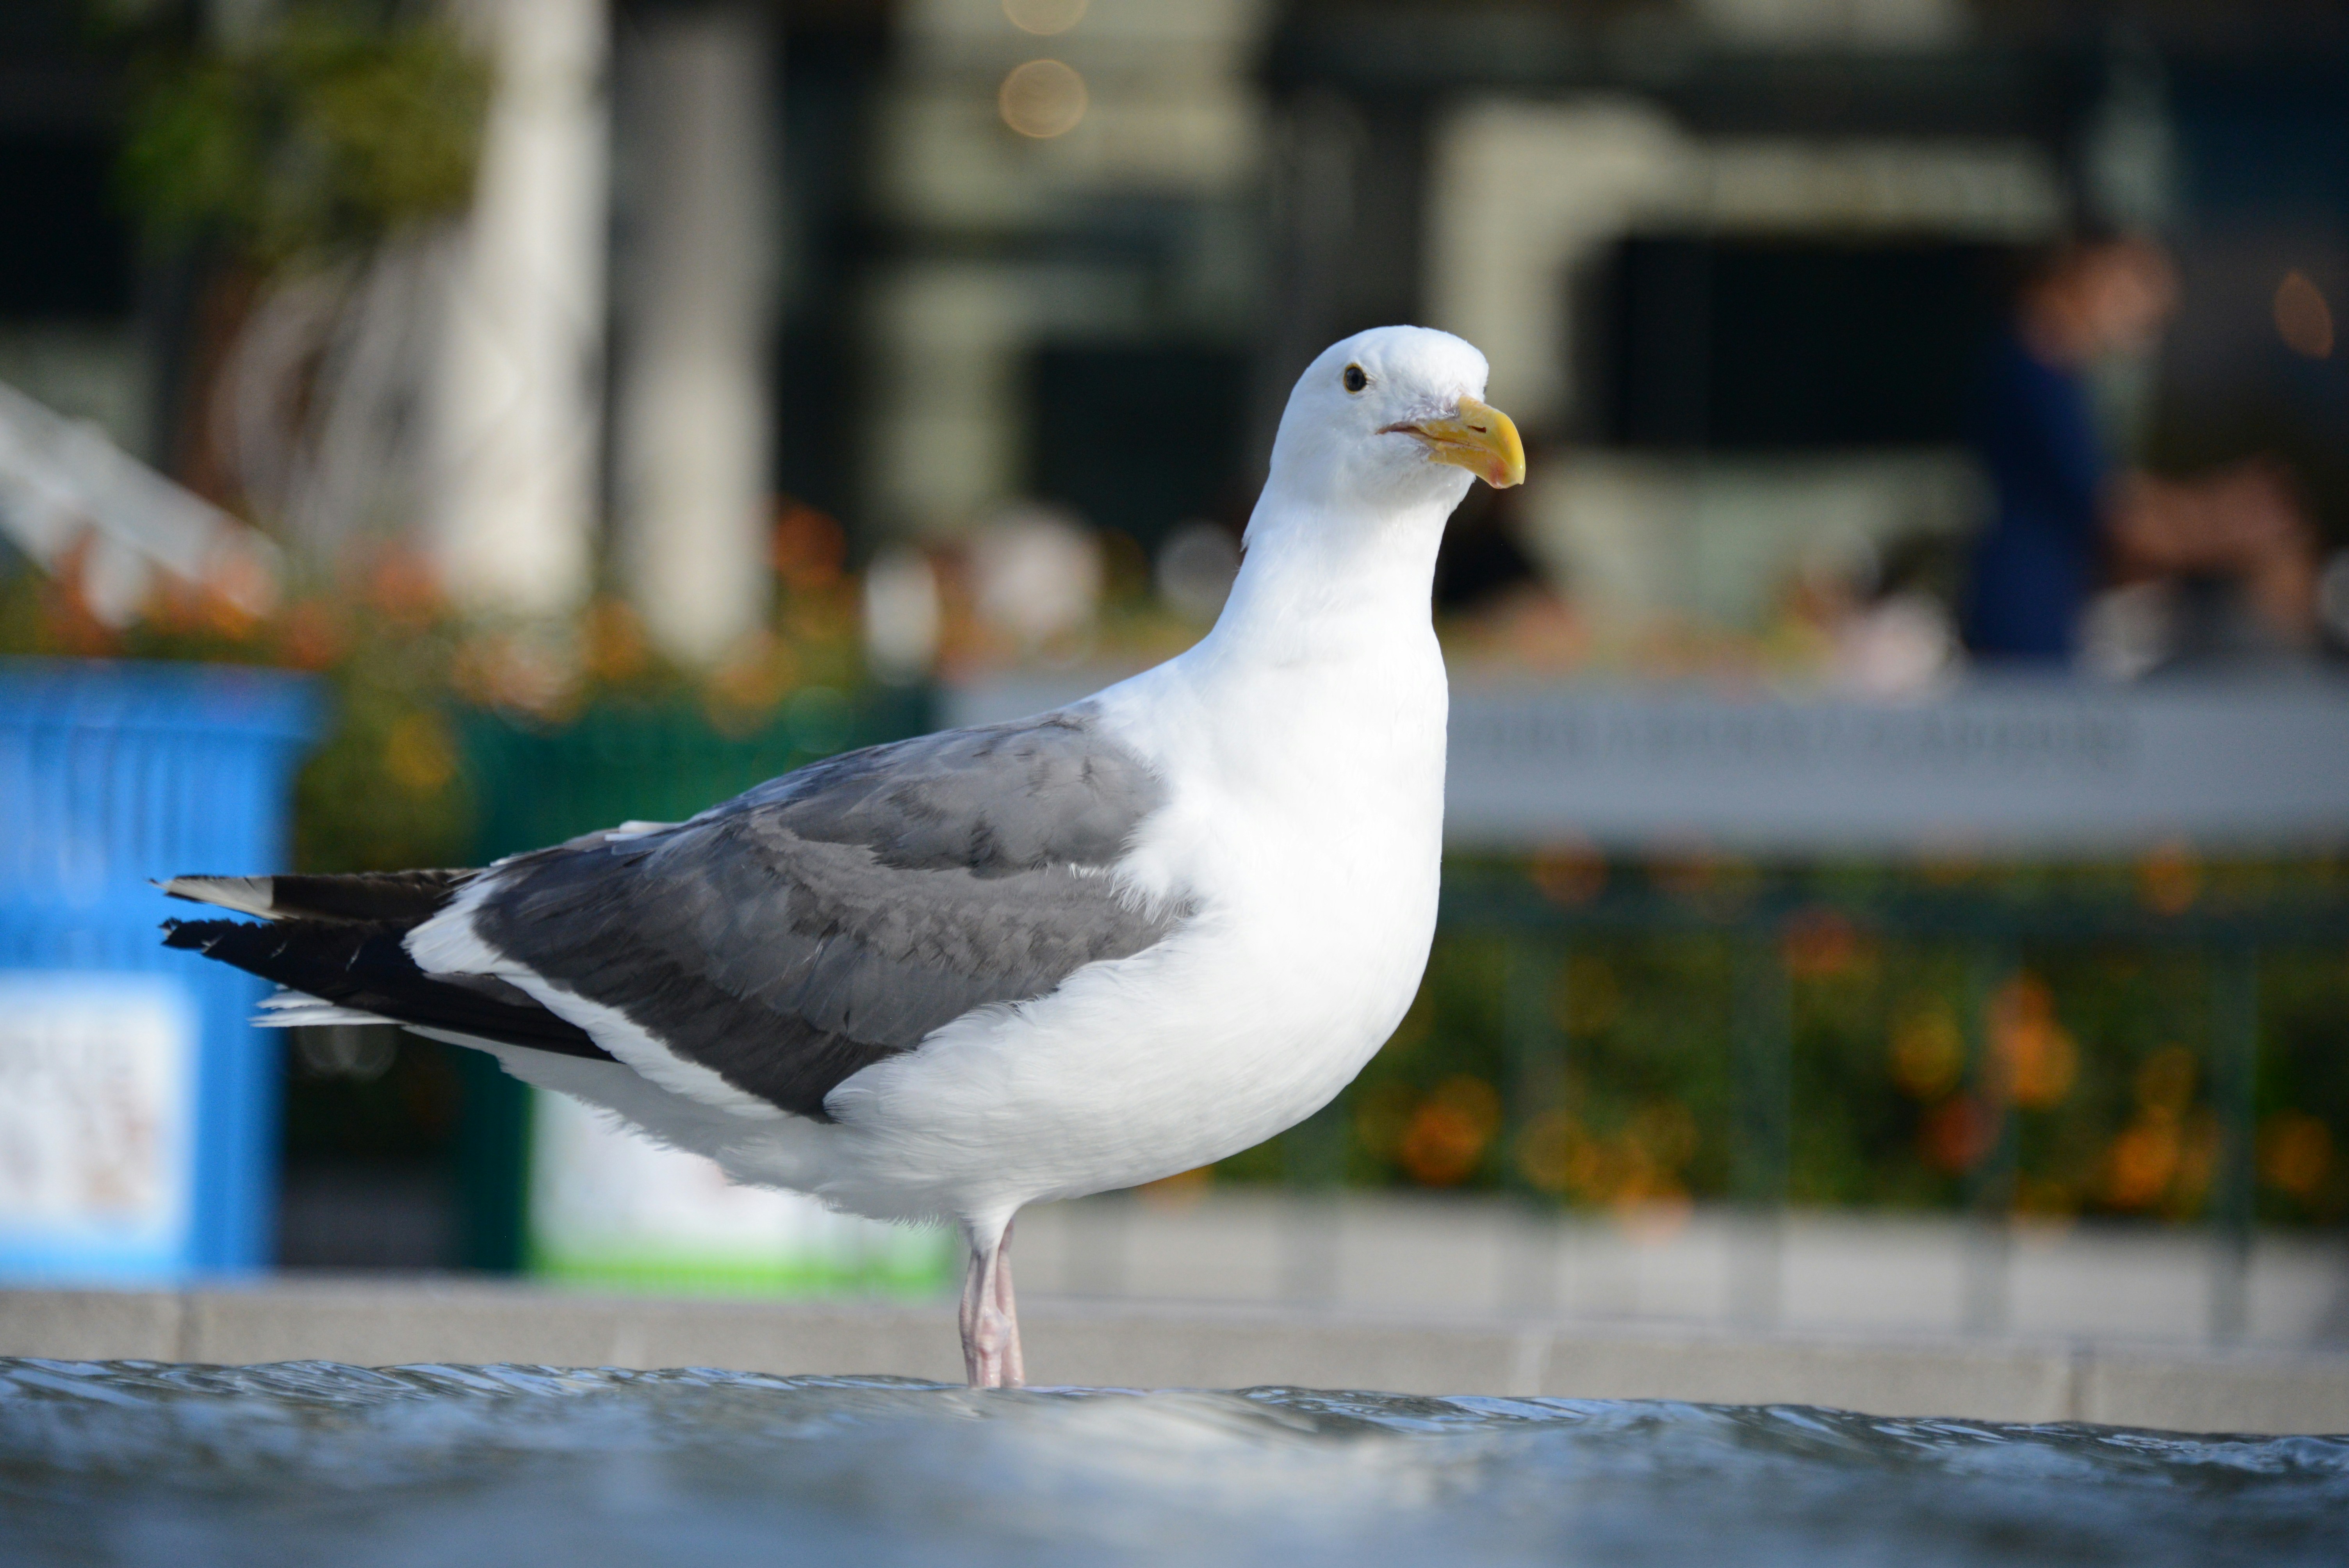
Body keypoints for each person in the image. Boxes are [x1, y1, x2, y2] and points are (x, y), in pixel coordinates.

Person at [1965, 233, 2317, 668]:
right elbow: (2119, 516)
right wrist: (2227, 520)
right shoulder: (2035, 375)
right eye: (2137, 291)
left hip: (2043, 619)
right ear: (2089, 267)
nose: (2142, 320)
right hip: (2024, 630)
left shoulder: (2052, 378)